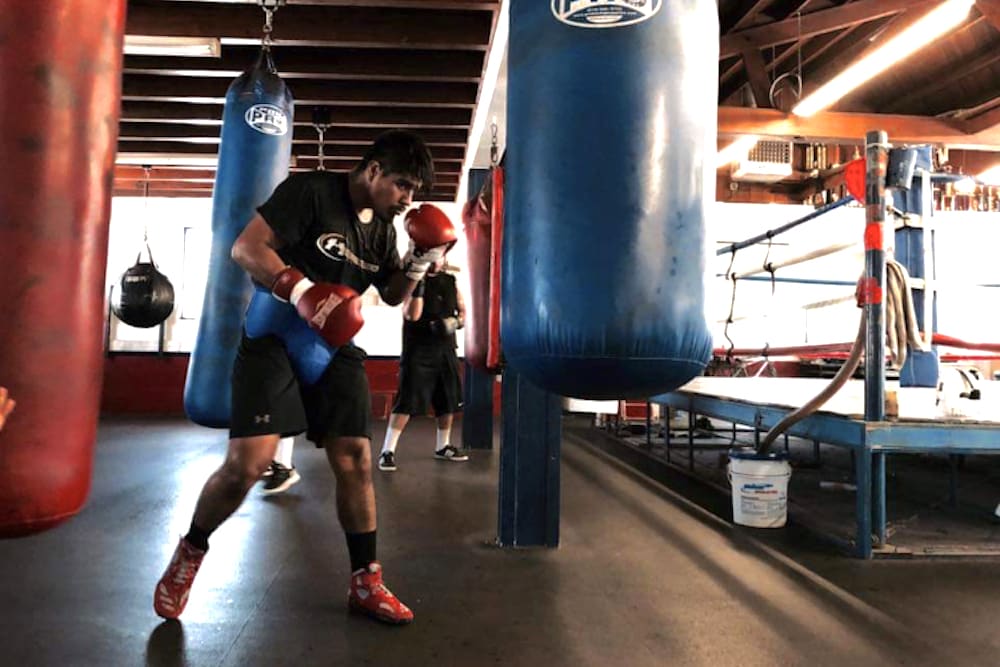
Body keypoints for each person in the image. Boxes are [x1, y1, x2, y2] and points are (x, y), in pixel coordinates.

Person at [153, 130, 456, 625]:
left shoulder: (382, 230)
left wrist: (420, 263)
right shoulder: (311, 191)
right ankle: (191, 549)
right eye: (402, 184)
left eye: (413, 190)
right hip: (275, 337)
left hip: (333, 346)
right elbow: (246, 249)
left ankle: (366, 582)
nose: (407, 199)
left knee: (356, 458)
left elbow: (395, 295)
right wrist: (300, 289)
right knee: (247, 466)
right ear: (373, 170)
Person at [379, 261, 468, 471]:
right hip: (418, 350)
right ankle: (387, 451)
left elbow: (463, 311)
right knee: (407, 401)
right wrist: (419, 283)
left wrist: (454, 323)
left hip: (446, 349)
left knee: (447, 400)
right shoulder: (410, 282)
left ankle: (442, 446)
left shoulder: (450, 281)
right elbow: (412, 314)